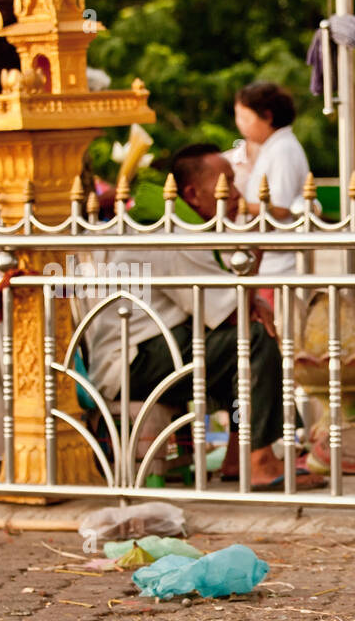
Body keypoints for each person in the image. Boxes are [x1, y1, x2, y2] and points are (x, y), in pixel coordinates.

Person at [84, 143, 321, 490]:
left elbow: (229, 304)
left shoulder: (181, 225)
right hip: (133, 361)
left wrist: (253, 303)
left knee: (239, 350)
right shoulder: (175, 233)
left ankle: (238, 455)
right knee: (252, 342)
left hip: (152, 349)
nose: (236, 192)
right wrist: (256, 248)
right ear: (193, 193)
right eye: (226, 181)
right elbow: (231, 312)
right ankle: (259, 462)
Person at [233, 81, 311, 277]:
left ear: (267, 116)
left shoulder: (283, 149)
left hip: (279, 267)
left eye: (244, 117)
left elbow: (279, 207)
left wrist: (236, 203)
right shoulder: (272, 148)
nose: (239, 124)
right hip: (268, 262)